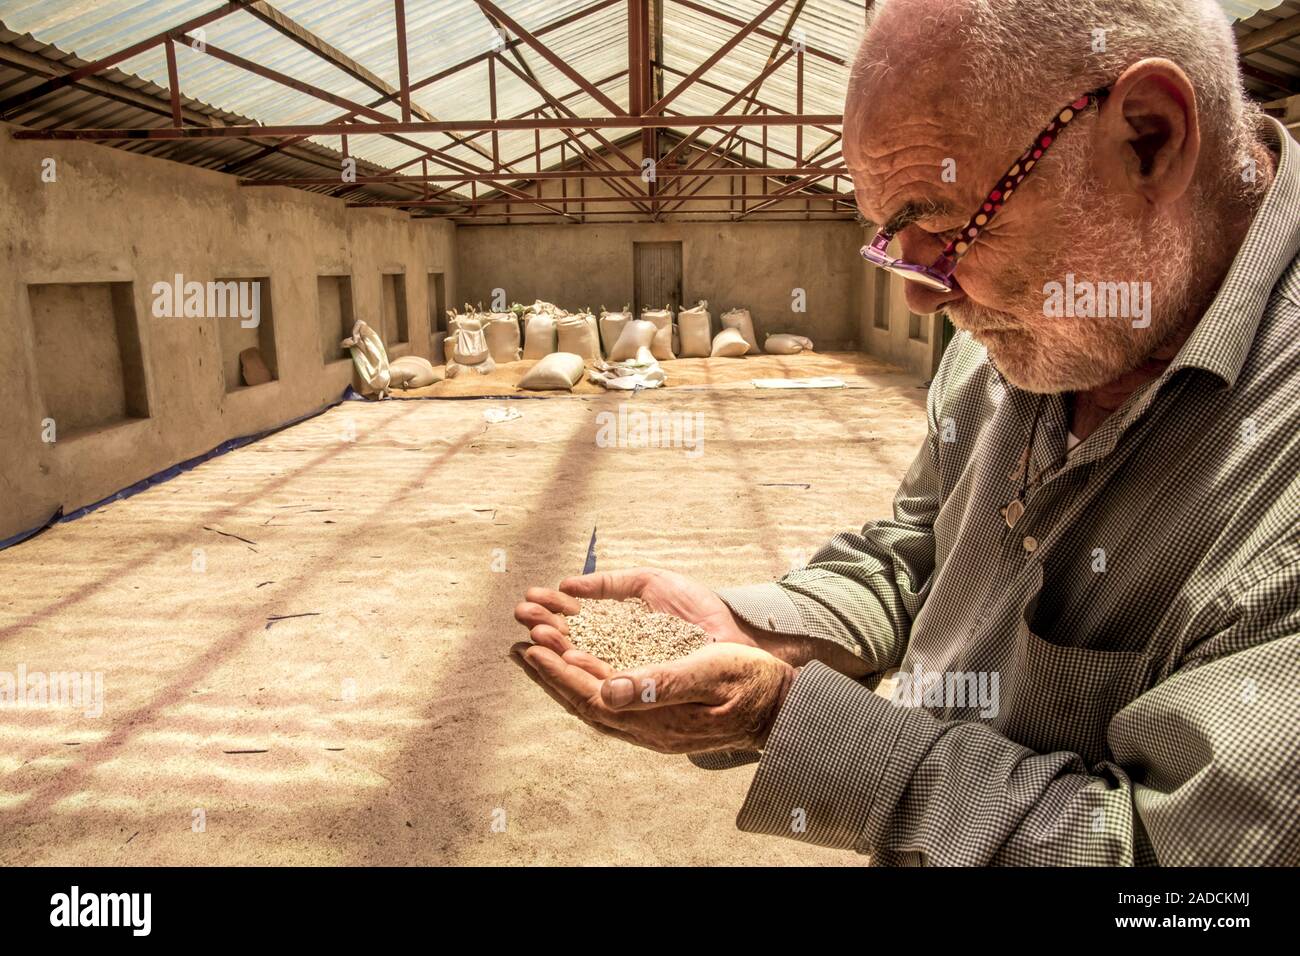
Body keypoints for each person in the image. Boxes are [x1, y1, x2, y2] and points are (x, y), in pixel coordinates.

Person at [511, 0, 1299, 865]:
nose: (922, 294)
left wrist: (785, 715)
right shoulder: (1013, 337)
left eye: (946, 222)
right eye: (894, 239)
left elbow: (1168, 874)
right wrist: (757, 628)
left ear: (1149, 136)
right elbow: (920, 548)